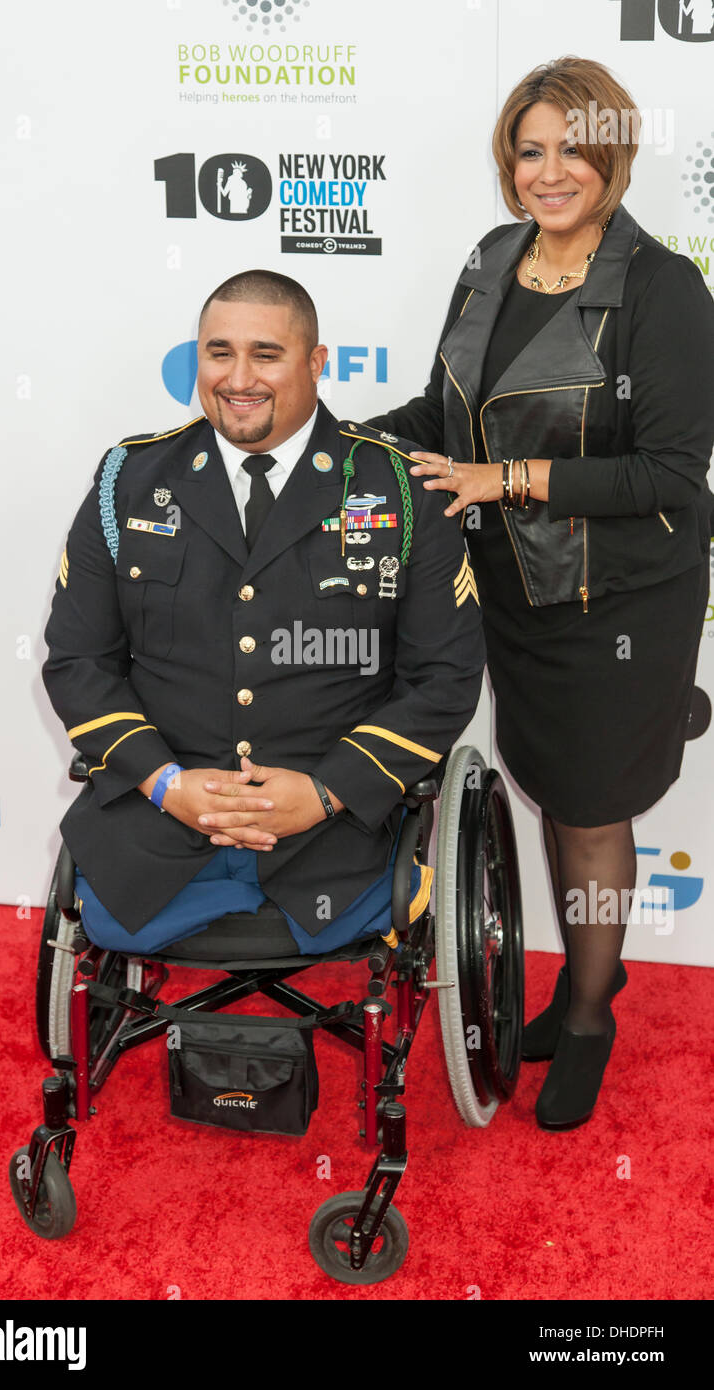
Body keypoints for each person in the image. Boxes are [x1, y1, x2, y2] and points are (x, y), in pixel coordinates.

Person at [368, 57, 714, 1130]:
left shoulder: (660, 288)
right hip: (515, 586)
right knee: (550, 785)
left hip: (617, 602)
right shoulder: (492, 257)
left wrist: (501, 480)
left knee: (590, 810)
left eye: (571, 147)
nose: (548, 171)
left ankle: (587, 1008)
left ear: (611, 153)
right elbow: (446, 407)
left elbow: (668, 473)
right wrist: (346, 444)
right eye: (529, 149)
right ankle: (574, 985)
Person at [42, 269, 485, 959]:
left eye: (265, 354)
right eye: (218, 352)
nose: (237, 377)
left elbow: (446, 675)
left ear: (315, 363)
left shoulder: (400, 486)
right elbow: (78, 661)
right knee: (110, 909)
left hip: (334, 838)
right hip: (161, 830)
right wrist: (167, 784)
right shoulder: (127, 479)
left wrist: (328, 791)